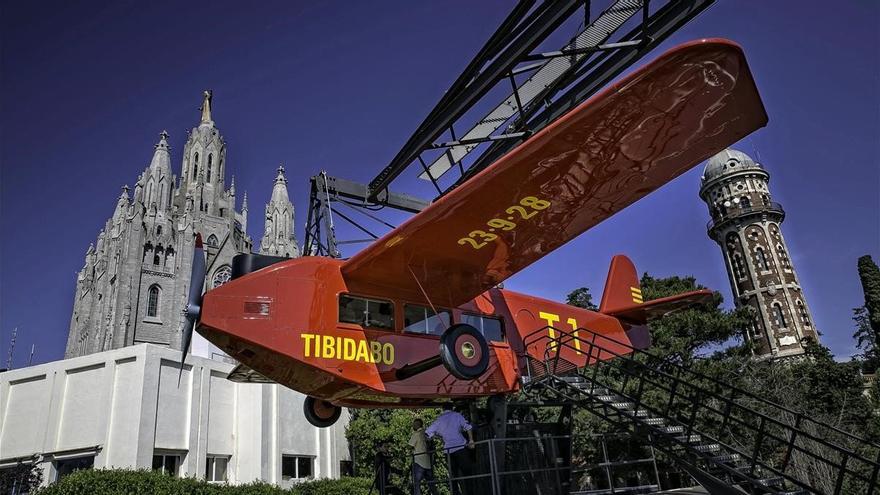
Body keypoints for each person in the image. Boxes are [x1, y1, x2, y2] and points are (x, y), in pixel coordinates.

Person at [426, 403, 475, 495]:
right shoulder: (457, 415)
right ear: (452, 408)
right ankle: (470, 492)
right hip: (460, 447)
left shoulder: (439, 420)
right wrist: (471, 440)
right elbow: (468, 427)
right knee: (467, 472)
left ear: (442, 409)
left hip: (448, 450)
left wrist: (440, 437)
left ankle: (455, 493)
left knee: (453, 475)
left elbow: (428, 434)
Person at [409, 418, 438, 495]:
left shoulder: (416, 434)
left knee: (417, 483)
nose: (413, 425)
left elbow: (410, 446)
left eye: (414, 424)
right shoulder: (426, 433)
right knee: (431, 484)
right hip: (428, 462)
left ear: (417, 425)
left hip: (418, 461)